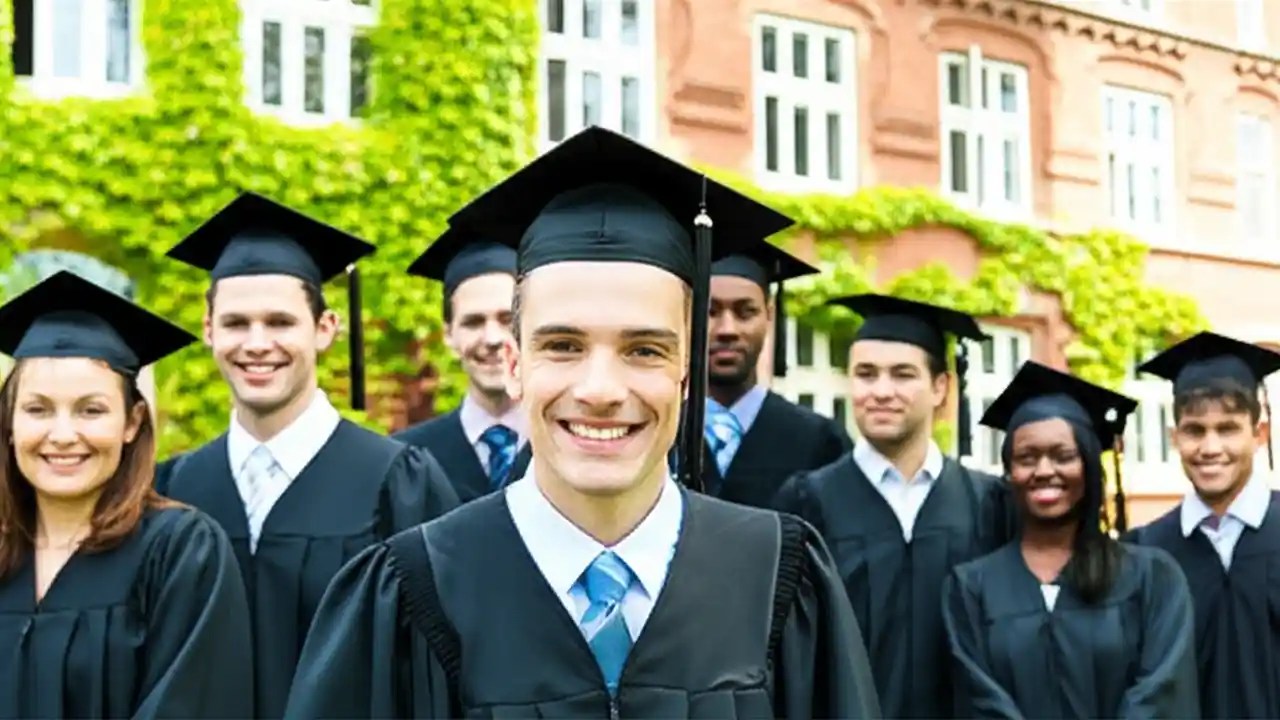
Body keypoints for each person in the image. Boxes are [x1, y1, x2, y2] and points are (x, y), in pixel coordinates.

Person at [284, 125, 882, 719]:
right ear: (514, 364)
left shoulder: (780, 577)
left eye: (644, 349)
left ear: (685, 368)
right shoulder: (415, 589)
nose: (600, 390)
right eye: (563, 345)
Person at [155, 192, 460, 718]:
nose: (256, 343)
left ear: (324, 330)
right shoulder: (174, 488)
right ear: (208, 331)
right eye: (235, 323)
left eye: (279, 322)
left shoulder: (397, 482)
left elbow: (439, 672)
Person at [0, 271, 253, 718]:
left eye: (91, 410)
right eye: (37, 409)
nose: (62, 435)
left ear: (132, 422)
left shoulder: (179, 552)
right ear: (9, 422)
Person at [774, 294, 1015, 719]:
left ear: (940, 387)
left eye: (902, 375)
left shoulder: (989, 503)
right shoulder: (807, 502)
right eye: (866, 375)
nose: (881, 391)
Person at [943, 360, 1198, 717]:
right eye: (1026, 458)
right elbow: (979, 701)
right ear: (1009, 472)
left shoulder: (1151, 578)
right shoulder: (970, 589)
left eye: (1064, 456)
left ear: (1090, 467)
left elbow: (1160, 695)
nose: (1044, 471)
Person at [1124, 331, 1280, 717]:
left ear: (1259, 434)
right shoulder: (1145, 552)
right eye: (1195, 430)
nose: (1210, 448)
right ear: (1175, 438)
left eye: (1227, 428)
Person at [697, 243, 851, 508]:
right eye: (711, 312)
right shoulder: (659, 437)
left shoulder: (820, 441)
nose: (727, 329)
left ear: (769, 316)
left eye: (746, 312)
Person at [395, 227, 531, 501]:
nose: (492, 338)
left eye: (507, 320)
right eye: (473, 322)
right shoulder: (406, 459)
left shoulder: (571, 447)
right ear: (448, 334)